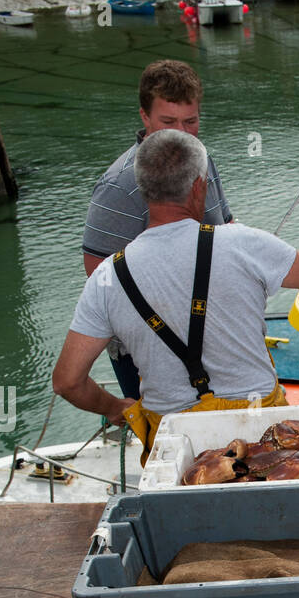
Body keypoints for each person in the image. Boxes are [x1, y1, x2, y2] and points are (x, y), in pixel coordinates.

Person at [55, 130, 299, 460]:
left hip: (174, 444)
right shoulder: (245, 244)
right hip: (259, 437)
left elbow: (67, 382)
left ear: (143, 188)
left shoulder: (108, 276)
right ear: (199, 186)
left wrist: (115, 408)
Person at [82, 59, 233, 400]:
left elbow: (225, 226)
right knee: (161, 442)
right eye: (168, 122)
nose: (180, 133)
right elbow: (99, 276)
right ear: (144, 117)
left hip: (209, 334)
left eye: (190, 121)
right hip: (147, 348)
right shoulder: (119, 186)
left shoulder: (202, 161)